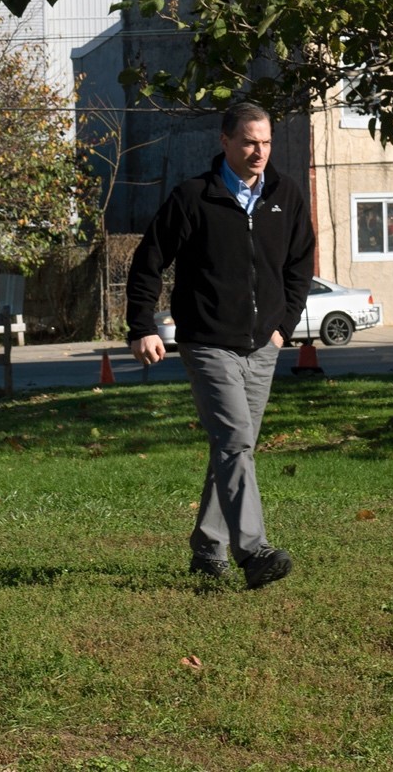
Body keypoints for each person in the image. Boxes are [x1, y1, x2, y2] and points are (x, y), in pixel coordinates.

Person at [125, 100, 315, 588]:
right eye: (250, 141)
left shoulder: (285, 195)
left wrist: (283, 327)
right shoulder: (194, 198)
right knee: (234, 441)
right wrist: (141, 325)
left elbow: (299, 266)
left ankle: (208, 546)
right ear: (225, 141)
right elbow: (148, 261)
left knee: (236, 446)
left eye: (267, 141)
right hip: (208, 342)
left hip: (263, 345)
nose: (260, 151)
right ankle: (253, 551)